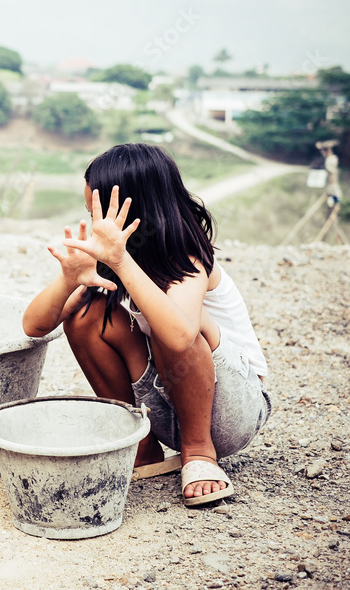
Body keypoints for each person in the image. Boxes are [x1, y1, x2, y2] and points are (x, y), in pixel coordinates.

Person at [22, 143, 271, 507]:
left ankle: (200, 453)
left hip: (232, 410)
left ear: (133, 212)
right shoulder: (111, 262)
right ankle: (141, 445)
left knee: (177, 323)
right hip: (169, 407)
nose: (93, 225)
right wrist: (70, 278)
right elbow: (34, 326)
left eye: (97, 213)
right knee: (86, 315)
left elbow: (182, 335)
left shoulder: (188, 258)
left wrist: (122, 261)